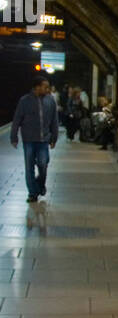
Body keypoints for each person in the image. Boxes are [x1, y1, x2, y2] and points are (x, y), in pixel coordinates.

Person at [10, 73, 59, 230]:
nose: (48, 89)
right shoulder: (25, 101)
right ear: (37, 87)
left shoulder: (50, 101)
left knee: (43, 164)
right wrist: (14, 137)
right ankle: (33, 192)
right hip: (29, 139)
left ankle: (40, 185)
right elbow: (17, 119)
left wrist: (54, 138)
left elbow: (54, 120)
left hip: (44, 140)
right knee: (29, 166)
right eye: (45, 86)